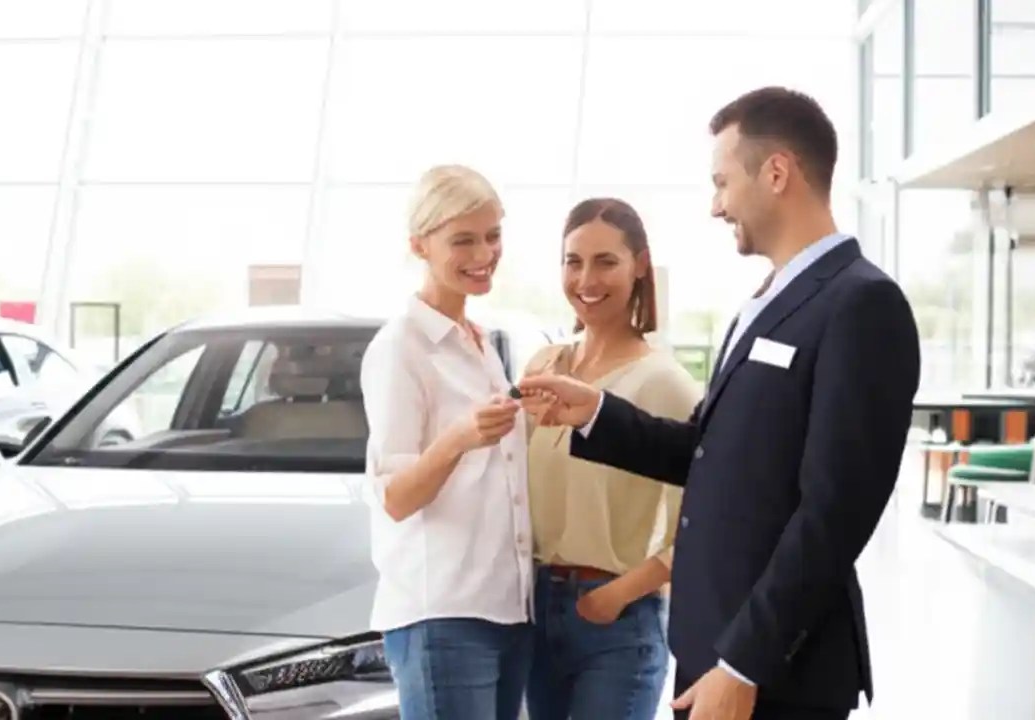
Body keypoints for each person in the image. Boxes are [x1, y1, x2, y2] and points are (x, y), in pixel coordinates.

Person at [518, 87, 921, 720]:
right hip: (710, 657)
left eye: (722, 181)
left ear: (778, 172)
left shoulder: (861, 304)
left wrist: (745, 663)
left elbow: (835, 513)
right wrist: (596, 411)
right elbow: (708, 450)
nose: (715, 205)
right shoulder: (763, 304)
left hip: (773, 672)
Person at [360, 164, 533, 720]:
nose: (484, 253)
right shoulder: (401, 348)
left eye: (493, 235)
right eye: (463, 240)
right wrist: (459, 438)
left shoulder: (478, 342)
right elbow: (396, 497)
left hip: (506, 609)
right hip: (443, 615)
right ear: (419, 245)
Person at [523, 198, 702, 720]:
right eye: (573, 261)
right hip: (534, 609)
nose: (586, 279)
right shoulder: (544, 365)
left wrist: (618, 595)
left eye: (606, 261)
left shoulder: (664, 382)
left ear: (640, 265)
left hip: (616, 623)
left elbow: (701, 520)